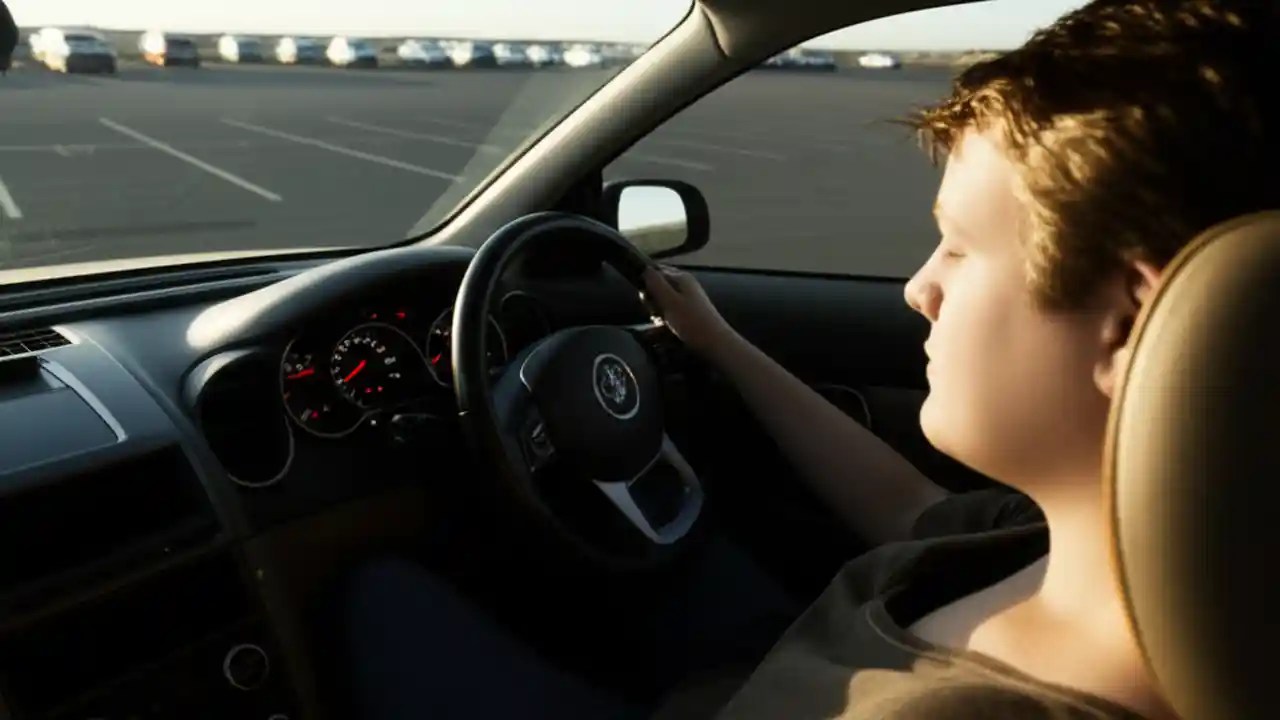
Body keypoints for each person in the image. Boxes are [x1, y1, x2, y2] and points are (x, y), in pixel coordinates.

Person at [342, 1, 1278, 717]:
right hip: (767, 662)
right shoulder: (1065, 539)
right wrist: (719, 344)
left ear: (1125, 323)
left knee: (372, 594)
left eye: (956, 246)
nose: (920, 287)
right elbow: (911, 511)